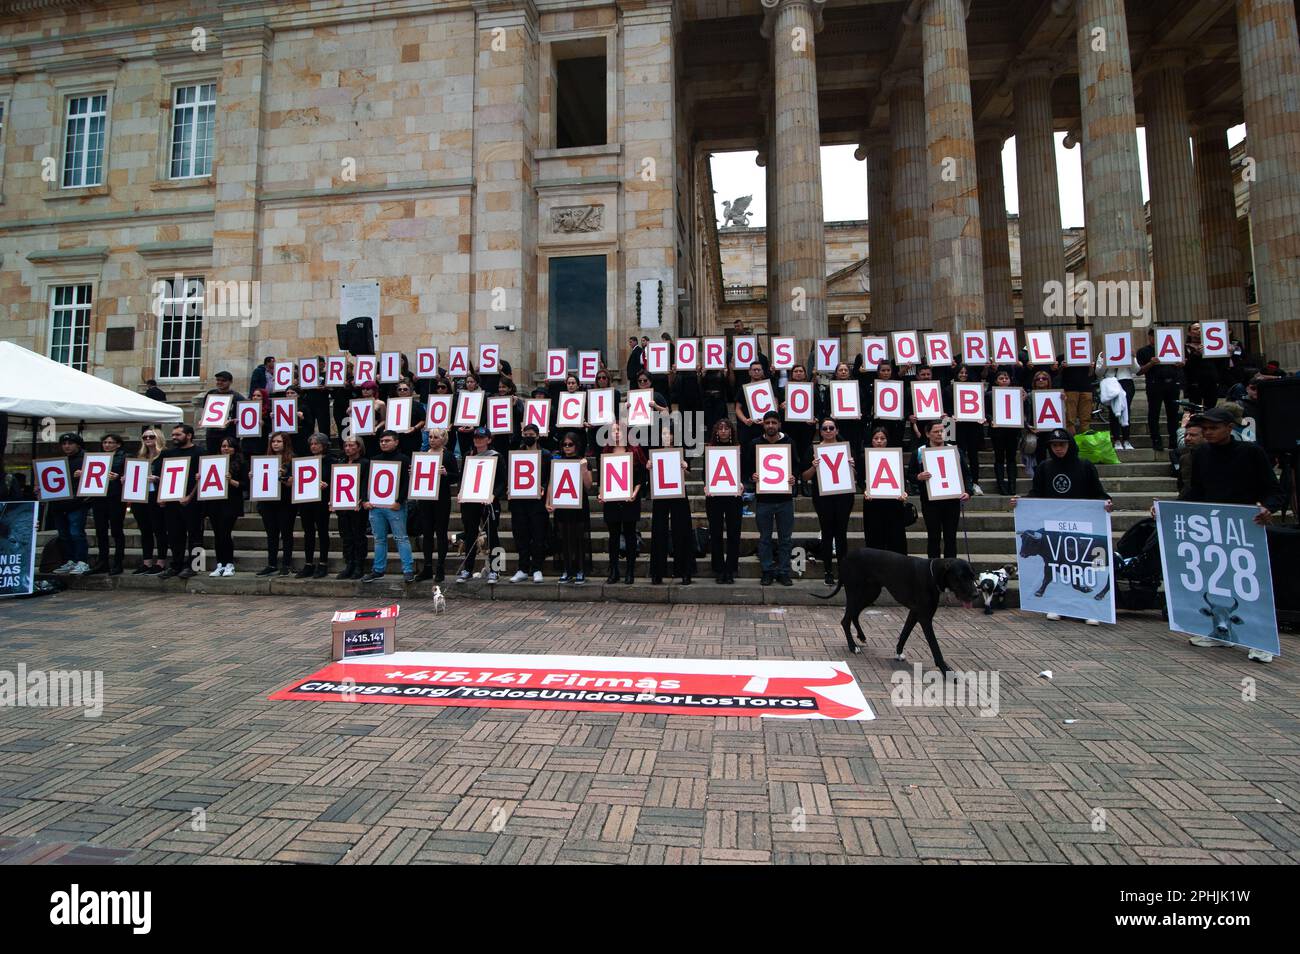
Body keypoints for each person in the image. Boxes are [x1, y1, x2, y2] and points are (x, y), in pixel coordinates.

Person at [1177, 406, 1285, 662]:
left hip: (1247, 528)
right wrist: (1168, 508)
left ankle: (1262, 640)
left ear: (1229, 428)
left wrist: (1268, 507)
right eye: (1205, 429)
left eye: (1213, 428)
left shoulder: (1251, 452)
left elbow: (1274, 490)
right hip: (1214, 530)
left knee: (1254, 586)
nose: (1208, 433)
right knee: (1218, 585)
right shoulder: (1202, 453)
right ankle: (1219, 633)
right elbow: (1197, 491)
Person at [1011, 427, 1113, 627]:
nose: (1059, 449)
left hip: (1083, 526)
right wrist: (1020, 503)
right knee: (1059, 563)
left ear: (1070, 445)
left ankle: (1089, 608)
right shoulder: (1044, 468)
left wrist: (1107, 503)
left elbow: (1098, 493)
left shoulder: (1085, 466)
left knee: (1085, 564)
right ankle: (1060, 605)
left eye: (1062, 445)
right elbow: (1036, 494)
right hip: (1055, 528)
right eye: (1055, 445)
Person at [908, 418, 971, 560]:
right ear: (927, 433)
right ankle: (933, 570)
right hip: (930, 502)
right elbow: (910, 475)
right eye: (936, 431)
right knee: (933, 537)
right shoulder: (919, 452)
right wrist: (918, 477)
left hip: (952, 501)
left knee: (951, 537)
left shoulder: (955, 450)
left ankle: (951, 570)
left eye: (942, 431)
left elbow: (966, 474)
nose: (939, 434)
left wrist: (968, 491)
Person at [802, 418, 855, 585]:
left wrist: (851, 466)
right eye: (825, 428)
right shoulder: (813, 449)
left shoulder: (845, 448)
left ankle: (843, 570)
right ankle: (828, 571)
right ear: (821, 431)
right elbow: (804, 477)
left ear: (837, 430)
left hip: (844, 495)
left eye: (832, 427)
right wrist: (813, 466)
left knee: (841, 533)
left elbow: (855, 476)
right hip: (823, 496)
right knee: (827, 533)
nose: (828, 430)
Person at [750, 410, 800, 586]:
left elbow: (796, 466)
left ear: (779, 424)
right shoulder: (755, 443)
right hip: (764, 500)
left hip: (785, 499)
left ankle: (784, 572)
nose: (770, 425)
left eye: (773, 422)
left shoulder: (789, 442)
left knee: (785, 539)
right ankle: (767, 571)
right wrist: (752, 476)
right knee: (764, 538)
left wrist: (794, 477)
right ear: (763, 424)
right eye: (767, 423)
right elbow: (747, 468)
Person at [362, 430, 416, 583]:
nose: (384, 443)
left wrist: (399, 501)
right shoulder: (374, 460)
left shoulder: (404, 459)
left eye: (387, 440)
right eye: (381, 441)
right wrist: (365, 500)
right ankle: (378, 569)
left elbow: (406, 483)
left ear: (396, 442)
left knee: (401, 538)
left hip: (395, 506)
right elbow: (367, 482)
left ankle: (408, 569)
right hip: (376, 506)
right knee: (379, 539)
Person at [456, 426, 505, 583]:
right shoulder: (468, 455)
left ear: (489, 440)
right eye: (476, 437)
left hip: (488, 500)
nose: (478, 440)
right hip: (470, 500)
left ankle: (496, 570)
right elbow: (463, 477)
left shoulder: (497, 456)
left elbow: (502, 481)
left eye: (482, 437)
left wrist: (494, 494)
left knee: (492, 535)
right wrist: (460, 492)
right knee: (470, 534)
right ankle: (468, 569)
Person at [649, 423, 695, 586]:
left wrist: (685, 467)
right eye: (663, 434)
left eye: (668, 434)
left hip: (678, 493)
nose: (665, 437)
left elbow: (689, 474)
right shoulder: (654, 453)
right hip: (661, 494)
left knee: (682, 530)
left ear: (674, 436)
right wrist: (649, 467)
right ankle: (657, 572)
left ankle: (685, 572)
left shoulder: (681, 452)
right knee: (658, 530)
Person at [601, 421, 647, 584]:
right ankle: (613, 571)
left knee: (629, 535)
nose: (617, 433)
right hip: (612, 501)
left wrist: (635, 493)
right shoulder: (606, 452)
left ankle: (629, 571)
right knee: (613, 537)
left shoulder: (634, 451)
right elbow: (603, 479)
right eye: (613, 431)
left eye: (619, 430)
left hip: (630, 500)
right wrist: (601, 493)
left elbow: (642, 476)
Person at [156, 424, 204, 578]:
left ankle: (196, 566)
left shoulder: (200, 452)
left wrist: (190, 496)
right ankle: (176, 565)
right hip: (172, 500)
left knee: (196, 535)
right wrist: (161, 497)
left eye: (178, 434)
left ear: (189, 435)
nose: (174, 437)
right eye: (173, 435)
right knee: (175, 535)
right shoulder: (168, 454)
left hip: (193, 501)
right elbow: (163, 476)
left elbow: (203, 478)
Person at [548, 430, 592, 584]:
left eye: (570, 444)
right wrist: (549, 501)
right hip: (562, 504)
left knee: (579, 538)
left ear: (576, 445)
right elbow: (552, 483)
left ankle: (580, 570)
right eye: (564, 444)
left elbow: (588, 486)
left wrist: (584, 469)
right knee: (564, 539)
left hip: (579, 505)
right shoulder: (557, 461)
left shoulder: (583, 461)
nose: (567, 447)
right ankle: (567, 570)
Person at [416, 427, 459, 582]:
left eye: (435, 437)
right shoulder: (422, 455)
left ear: (443, 439)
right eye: (430, 437)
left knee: (441, 533)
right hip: (425, 499)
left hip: (442, 498)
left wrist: (446, 474)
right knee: (427, 534)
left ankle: (440, 567)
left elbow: (456, 477)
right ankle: (427, 567)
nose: (432, 440)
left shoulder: (448, 455)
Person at [508, 424, 547, 583]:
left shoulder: (546, 455)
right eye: (525, 433)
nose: (528, 436)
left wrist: (544, 488)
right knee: (520, 536)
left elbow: (550, 478)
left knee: (538, 536)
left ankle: (537, 568)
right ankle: (523, 568)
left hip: (538, 503)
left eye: (531, 434)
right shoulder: (516, 454)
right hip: (519, 502)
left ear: (537, 436)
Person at [705, 418, 742, 584]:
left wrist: (742, 484)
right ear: (716, 432)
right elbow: (704, 473)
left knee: (734, 533)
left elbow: (745, 469)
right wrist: (706, 486)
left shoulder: (739, 449)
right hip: (715, 497)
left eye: (727, 428)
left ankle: (731, 568)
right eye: (720, 428)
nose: (724, 431)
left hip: (734, 497)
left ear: (731, 431)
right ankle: (719, 569)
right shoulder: (710, 450)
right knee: (716, 533)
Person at [254, 432, 296, 577]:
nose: (275, 444)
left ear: (285, 443)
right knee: (271, 534)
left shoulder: (292, 460)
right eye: (273, 441)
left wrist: (285, 477)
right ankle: (271, 563)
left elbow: (294, 482)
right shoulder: (265, 460)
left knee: (286, 533)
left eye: (279, 441)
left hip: (285, 502)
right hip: (268, 502)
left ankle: (286, 564)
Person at [862, 426, 908, 555]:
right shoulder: (864, 457)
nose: (879, 441)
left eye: (882, 438)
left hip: (893, 502)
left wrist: (903, 492)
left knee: (896, 538)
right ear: (871, 440)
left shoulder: (895, 456)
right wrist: (864, 490)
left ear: (887, 440)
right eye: (876, 438)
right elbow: (860, 479)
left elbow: (900, 478)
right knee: (874, 538)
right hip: (872, 503)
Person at [49, 433, 91, 575]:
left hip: (77, 503)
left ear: (78, 445)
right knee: (64, 534)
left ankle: (82, 561)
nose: (67, 446)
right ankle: (70, 560)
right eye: (64, 443)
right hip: (59, 503)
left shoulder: (87, 459)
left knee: (75, 532)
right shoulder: (59, 461)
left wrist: (85, 474)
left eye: (70, 443)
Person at [1136, 328, 1183, 451]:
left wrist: (1181, 364)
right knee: (1154, 412)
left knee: (1173, 413)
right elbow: (1139, 371)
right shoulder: (1144, 351)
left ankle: (1173, 440)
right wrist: (1151, 363)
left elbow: (1181, 364)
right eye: (1153, 336)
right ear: (1150, 337)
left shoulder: (1173, 349)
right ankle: (1156, 439)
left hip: (1172, 383)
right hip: (1154, 384)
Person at [296, 432, 335, 578]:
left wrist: (328, 485)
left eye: (316, 444)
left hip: (322, 501)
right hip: (307, 501)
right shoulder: (305, 461)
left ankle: (323, 563)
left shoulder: (331, 461)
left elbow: (337, 480)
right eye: (311, 444)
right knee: (308, 532)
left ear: (324, 445)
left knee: (323, 531)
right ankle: (308, 563)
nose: (313, 446)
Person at [206, 437, 246, 577]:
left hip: (231, 503)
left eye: (229, 446)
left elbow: (245, 485)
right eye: (223, 446)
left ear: (235, 448)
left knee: (225, 533)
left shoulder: (240, 463)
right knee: (217, 534)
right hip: (215, 502)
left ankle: (229, 564)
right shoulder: (213, 463)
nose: (225, 449)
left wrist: (231, 481)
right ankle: (220, 564)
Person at [88, 433, 127, 574]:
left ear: (118, 444)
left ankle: (118, 562)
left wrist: (118, 477)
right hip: (99, 497)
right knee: (100, 530)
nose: (107, 445)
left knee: (116, 530)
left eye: (110, 442)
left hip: (116, 497)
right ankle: (103, 561)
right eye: (105, 442)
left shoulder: (124, 457)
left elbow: (130, 476)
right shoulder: (97, 458)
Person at [131, 427, 168, 574]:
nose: (147, 440)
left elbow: (173, 476)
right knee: (144, 530)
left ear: (158, 438)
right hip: (140, 497)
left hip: (156, 497)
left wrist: (158, 479)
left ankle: (160, 562)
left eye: (151, 437)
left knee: (159, 530)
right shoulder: (140, 457)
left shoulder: (165, 455)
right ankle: (146, 562)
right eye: (145, 437)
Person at [334, 437, 369, 580]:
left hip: (357, 505)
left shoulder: (365, 463)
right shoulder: (341, 462)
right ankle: (349, 564)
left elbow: (365, 483)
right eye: (346, 445)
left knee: (358, 536)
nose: (348, 448)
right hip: (343, 505)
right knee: (346, 536)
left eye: (351, 445)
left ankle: (359, 565)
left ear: (359, 447)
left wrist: (361, 499)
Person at [952, 365, 985, 495]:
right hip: (957, 427)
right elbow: (946, 409)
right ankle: (961, 483)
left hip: (973, 426)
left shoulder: (975, 388)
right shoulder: (949, 390)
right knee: (959, 455)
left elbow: (981, 406)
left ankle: (975, 483)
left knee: (973, 455)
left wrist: (982, 416)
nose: (964, 374)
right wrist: (951, 416)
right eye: (961, 372)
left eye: (966, 372)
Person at [988, 369, 1020, 496]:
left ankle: (1012, 485)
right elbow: (986, 411)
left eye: (1006, 378)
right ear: (996, 381)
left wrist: (1023, 399)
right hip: (997, 431)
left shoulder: (1017, 393)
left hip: (1012, 430)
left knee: (1011, 458)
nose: (1004, 380)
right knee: (999, 457)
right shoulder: (989, 394)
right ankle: (1001, 484)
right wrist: (991, 420)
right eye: (1001, 378)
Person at [196, 370, 246, 453]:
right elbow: (204, 411)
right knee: (213, 455)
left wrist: (235, 420)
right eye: (218, 380)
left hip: (229, 433)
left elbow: (242, 416)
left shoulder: (237, 397)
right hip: (212, 433)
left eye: (223, 380)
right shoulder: (210, 393)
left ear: (230, 382)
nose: (220, 382)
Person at [1095, 348, 1135, 451]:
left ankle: (1126, 439)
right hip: (1111, 382)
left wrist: (1133, 358)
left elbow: (1136, 370)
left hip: (1126, 381)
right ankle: (1117, 439)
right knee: (1113, 412)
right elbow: (1099, 372)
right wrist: (1104, 360)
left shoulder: (1128, 351)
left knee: (1126, 410)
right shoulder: (1102, 353)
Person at [1061, 353, 1094, 435]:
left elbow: (1092, 374)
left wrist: (1092, 367)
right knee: (1069, 419)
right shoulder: (1063, 357)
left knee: (1086, 418)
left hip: (1086, 388)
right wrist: (1061, 366)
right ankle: (1071, 441)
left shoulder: (1087, 354)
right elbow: (1055, 372)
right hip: (1070, 388)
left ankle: (1086, 440)